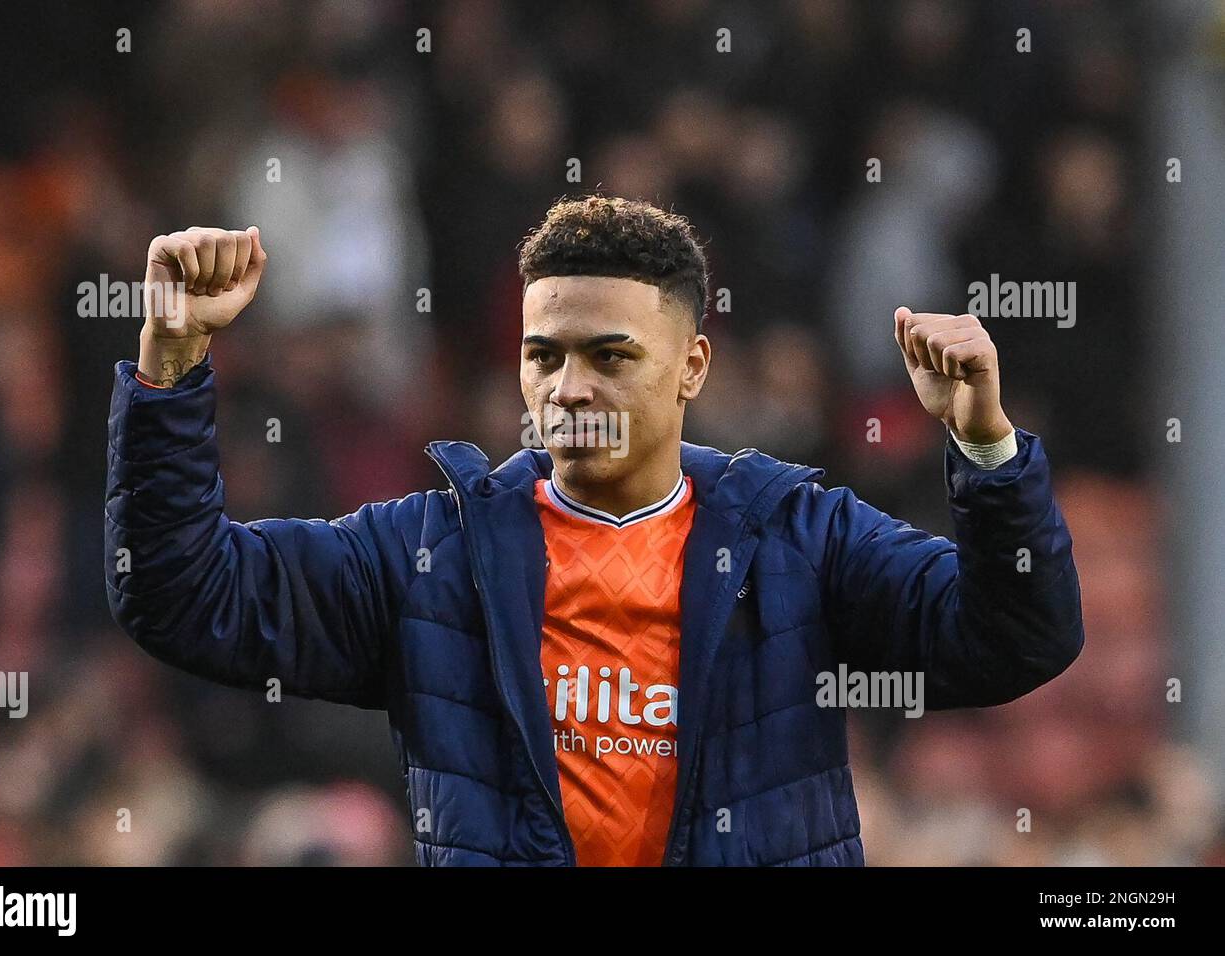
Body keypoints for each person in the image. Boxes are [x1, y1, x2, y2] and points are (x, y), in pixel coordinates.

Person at [105, 195, 1083, 866]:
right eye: (544, 354)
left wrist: (986, 448)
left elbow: (1014, 638)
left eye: (610, 354)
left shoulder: (800, 538)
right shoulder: (429, 557)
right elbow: (184, 595)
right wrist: (169, 367)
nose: (569, 386)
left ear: (692, 364)